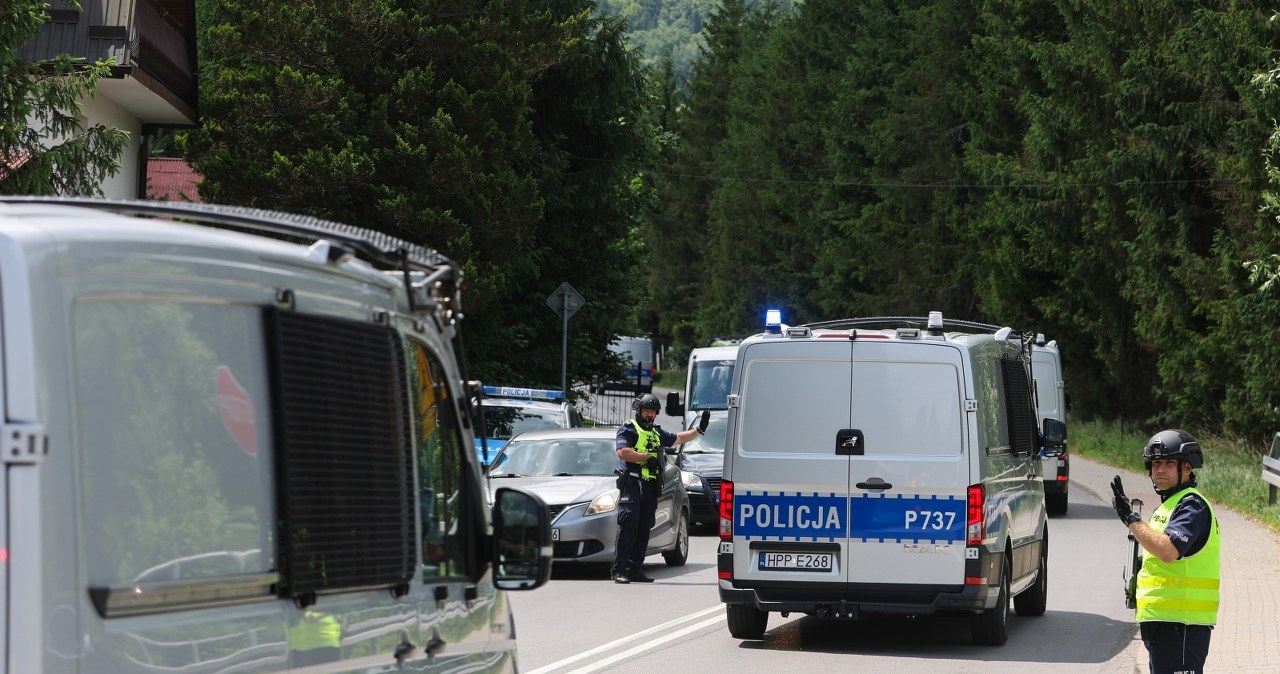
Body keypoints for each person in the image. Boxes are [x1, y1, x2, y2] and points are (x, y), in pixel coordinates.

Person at [1110, 429, 1220, 674]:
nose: (1160, 469)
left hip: (1181, 625)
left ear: (1188, 468)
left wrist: (1131, 519)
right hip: (1164, 625)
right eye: (1156, 463)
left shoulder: (1192, 505)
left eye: (1170, 463)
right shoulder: (1169, 506)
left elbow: (1168, 551)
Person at [612, 394, 708, 584]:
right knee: (629, 526)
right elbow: (623, 452)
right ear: (638, 410)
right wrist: (646, 458)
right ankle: (619, 570)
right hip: (633, 483)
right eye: (647, 411)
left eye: (653, 412)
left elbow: (678, 438)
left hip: (650, 486)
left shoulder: (656, 432)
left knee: (644, 527)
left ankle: (634, 569)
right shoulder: (630, 428)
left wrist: (699, 430)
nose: (650, 415)